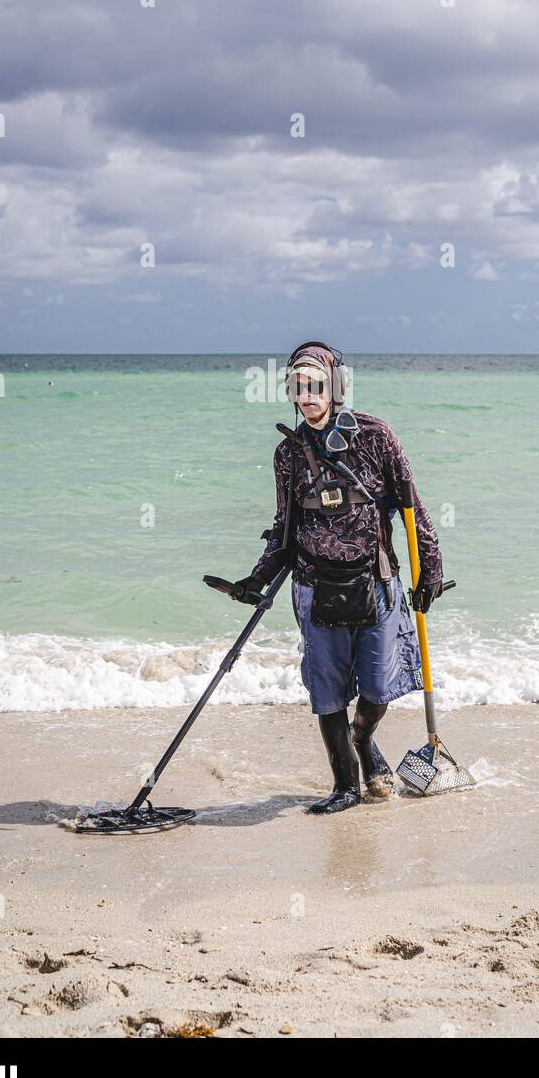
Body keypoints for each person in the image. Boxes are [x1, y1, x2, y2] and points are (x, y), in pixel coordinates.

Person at [230, 341, 445, 815]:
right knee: (326, 688)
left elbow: (414, 509)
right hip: (312, 586)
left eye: (315, 386)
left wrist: (431, 569)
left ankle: (362, 739)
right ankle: (345, 785)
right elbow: (284, 529)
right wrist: (256, 579)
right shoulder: (287, 453)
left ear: (337, 385)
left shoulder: (376, 436)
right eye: (295, 387)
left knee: (375, 688)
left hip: (377, 581)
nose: (305, 397)